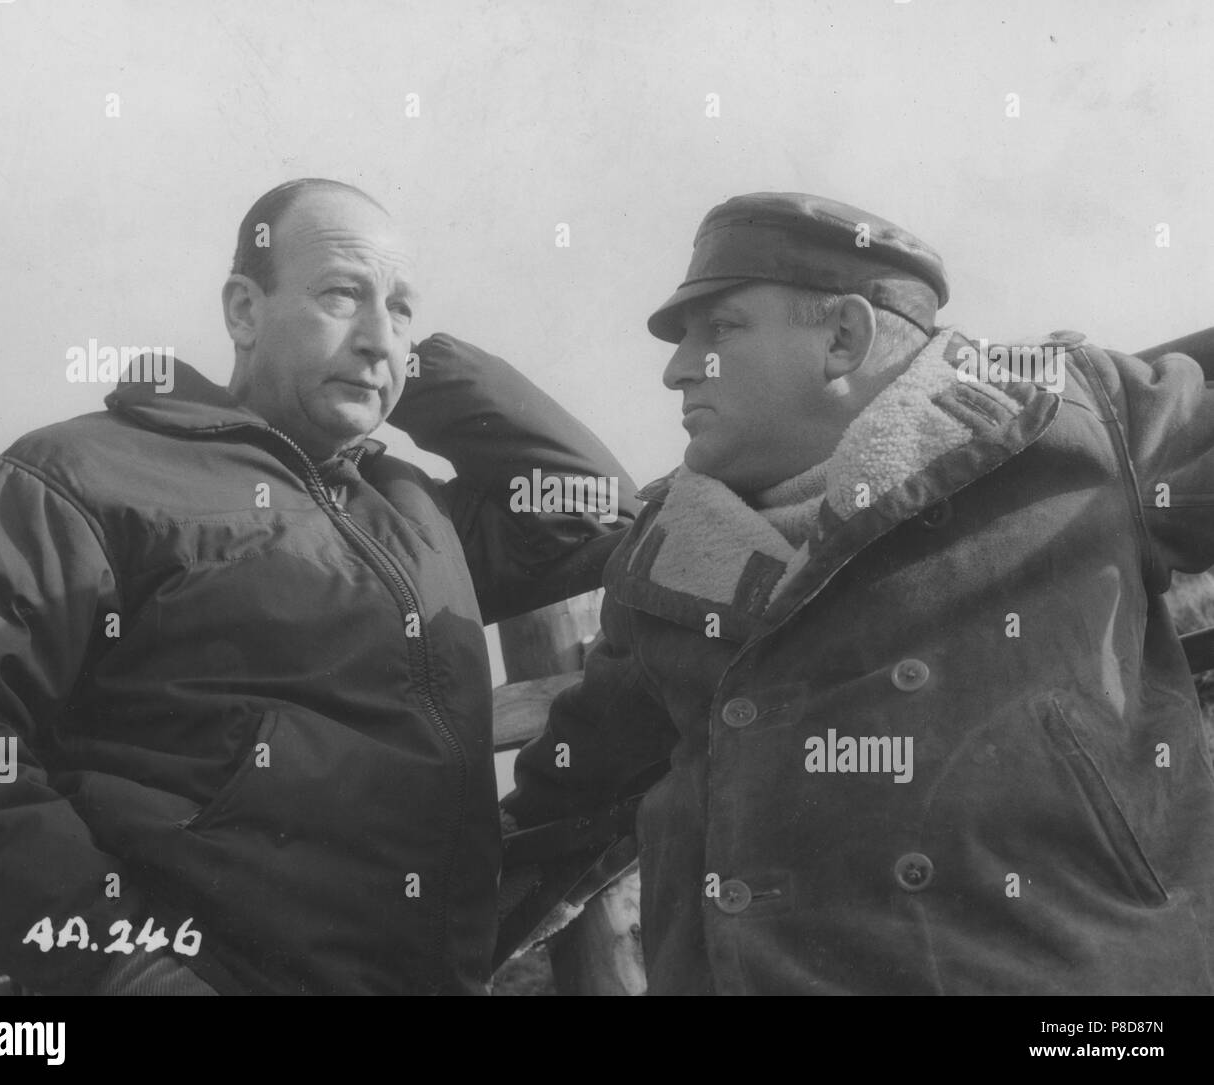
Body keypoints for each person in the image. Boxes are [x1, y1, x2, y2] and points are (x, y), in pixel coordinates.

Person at [0, 178, 636, 995]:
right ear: (243, 311)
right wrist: (126, 967)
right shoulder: (80, 474)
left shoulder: (412, 509)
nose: (379, 336)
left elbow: (597, 506)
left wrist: (415, 364)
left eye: (401, 308)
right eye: (340, 294)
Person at [504, 191, 1214, 994]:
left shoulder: (1076, 419)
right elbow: (565, 797)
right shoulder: (664, 560)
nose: (675, 369)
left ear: (843, 336)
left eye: (719, 330)